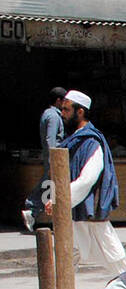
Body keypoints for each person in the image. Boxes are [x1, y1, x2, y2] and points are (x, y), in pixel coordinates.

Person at [54, 90, 126, 276]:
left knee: (115, 258)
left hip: (89, 209)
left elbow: (88, 178)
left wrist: (63, 198)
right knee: (67, 254)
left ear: (80, 112)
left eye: (66, 109)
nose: (62, 113)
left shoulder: (91, 141)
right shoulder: (75, 139)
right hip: (75, 209)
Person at [21, 86, 67, 231]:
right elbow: (50, 139)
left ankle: (36, 211)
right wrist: (53, 158)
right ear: (58, 100)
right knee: (50, 185)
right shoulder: (53, 116)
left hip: (53, 157)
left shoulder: (48, 114)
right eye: (64, 101)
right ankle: (32, 208)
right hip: (55, 158)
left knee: (51, 187)